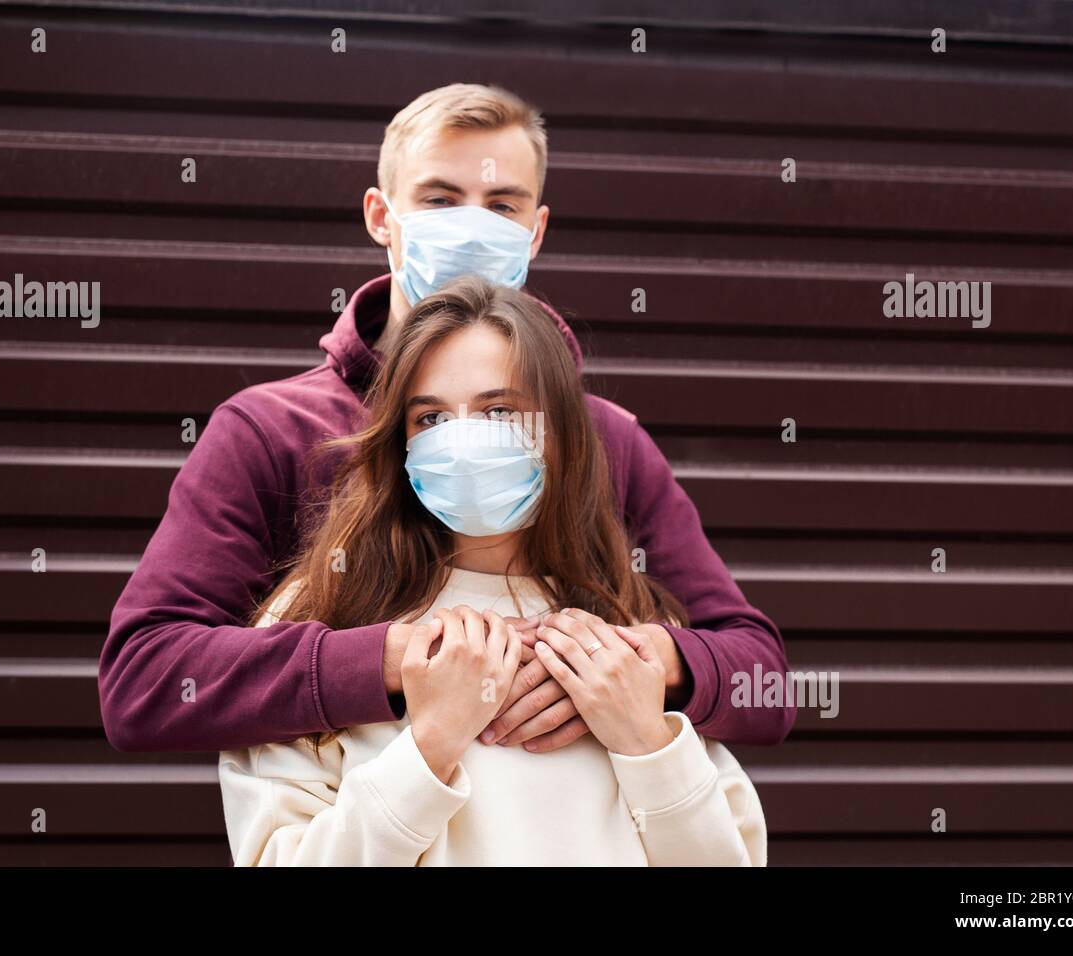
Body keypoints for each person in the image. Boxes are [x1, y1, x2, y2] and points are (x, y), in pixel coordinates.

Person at [100, 82, 793, 760]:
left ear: (536, 230)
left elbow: (765, 681)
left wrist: (641, 662)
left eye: (501, 204)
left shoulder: (603, 438)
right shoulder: (270, 430)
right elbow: (144, 680)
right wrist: (397, 660)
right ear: (380, 215)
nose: (472, 224)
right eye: (439, 199)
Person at [219, 276, 765, 866]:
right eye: (430, 419)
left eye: (499, 410)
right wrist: (430, 747)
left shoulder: (630, 624)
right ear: (396, 440)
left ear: (560, 432)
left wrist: (646, 744)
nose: (462, 441)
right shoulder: (319, 613)